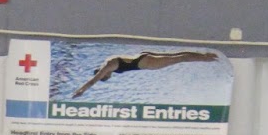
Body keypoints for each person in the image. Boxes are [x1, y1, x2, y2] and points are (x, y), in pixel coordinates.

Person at [72, 48, 217, 98]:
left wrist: (80, 91)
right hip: (143, 56)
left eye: (107, 77)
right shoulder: (108, 61)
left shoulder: (108, 67)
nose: (109, 75)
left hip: (145, 63)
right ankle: (205, 56)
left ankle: (207, 58)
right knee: (177, 55)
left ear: (103, 74)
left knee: (180, 58)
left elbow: (92, 81)